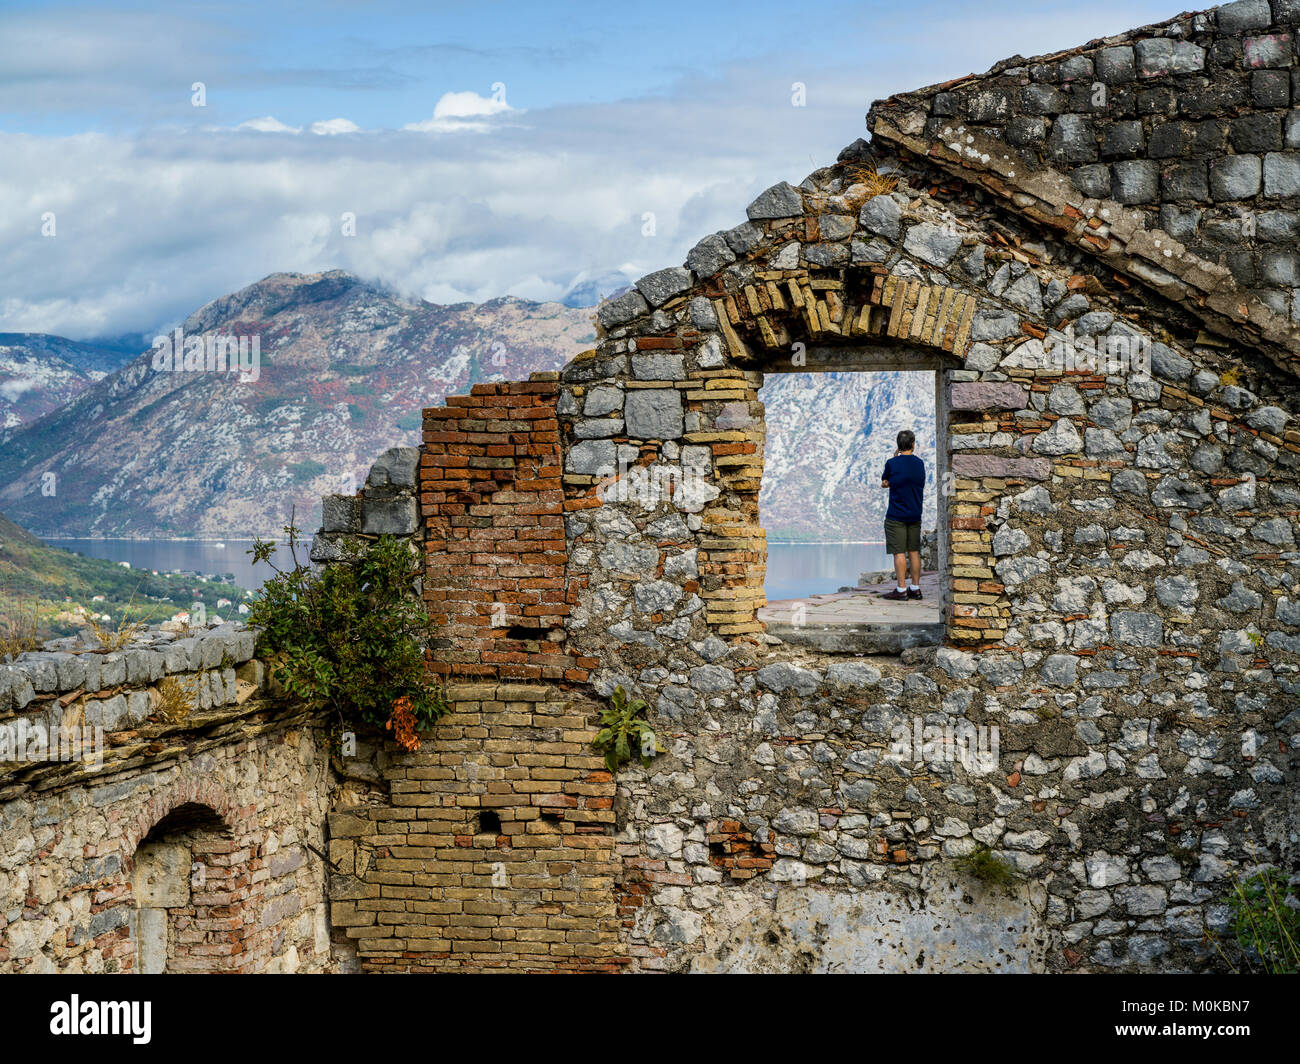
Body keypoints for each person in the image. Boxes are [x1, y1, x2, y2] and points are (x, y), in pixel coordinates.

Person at [880, 430, 925, 601]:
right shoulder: (919, 464)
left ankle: (901, 590)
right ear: (913, 444)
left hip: (896, 515)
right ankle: (915, 588)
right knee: (914, 551)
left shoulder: (891, 463)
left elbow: (885, 483)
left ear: (898, 445)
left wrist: (894, 460)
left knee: (899, 553)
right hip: (915, 514)